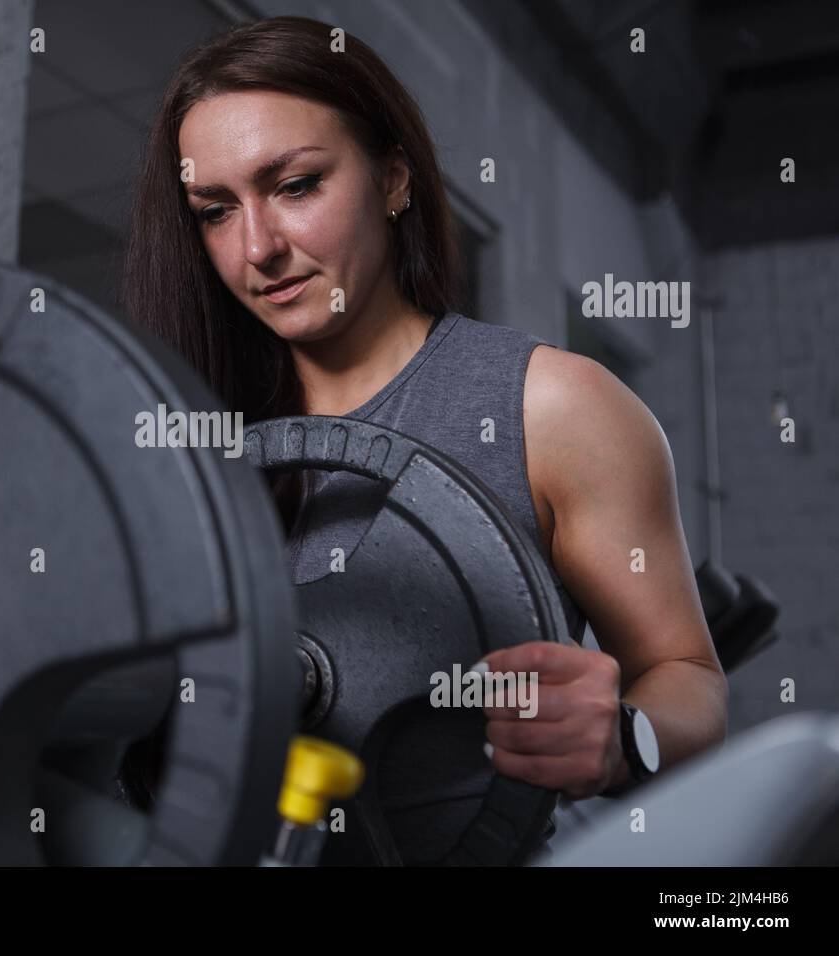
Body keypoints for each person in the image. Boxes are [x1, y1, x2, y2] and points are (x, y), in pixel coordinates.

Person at [119, 15, 727, 862]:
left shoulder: (554, 405)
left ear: (394, 178)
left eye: (295, 185)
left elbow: (690, 680)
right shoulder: (198, 440)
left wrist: (628, 736)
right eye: (216, 211)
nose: (257, 248)